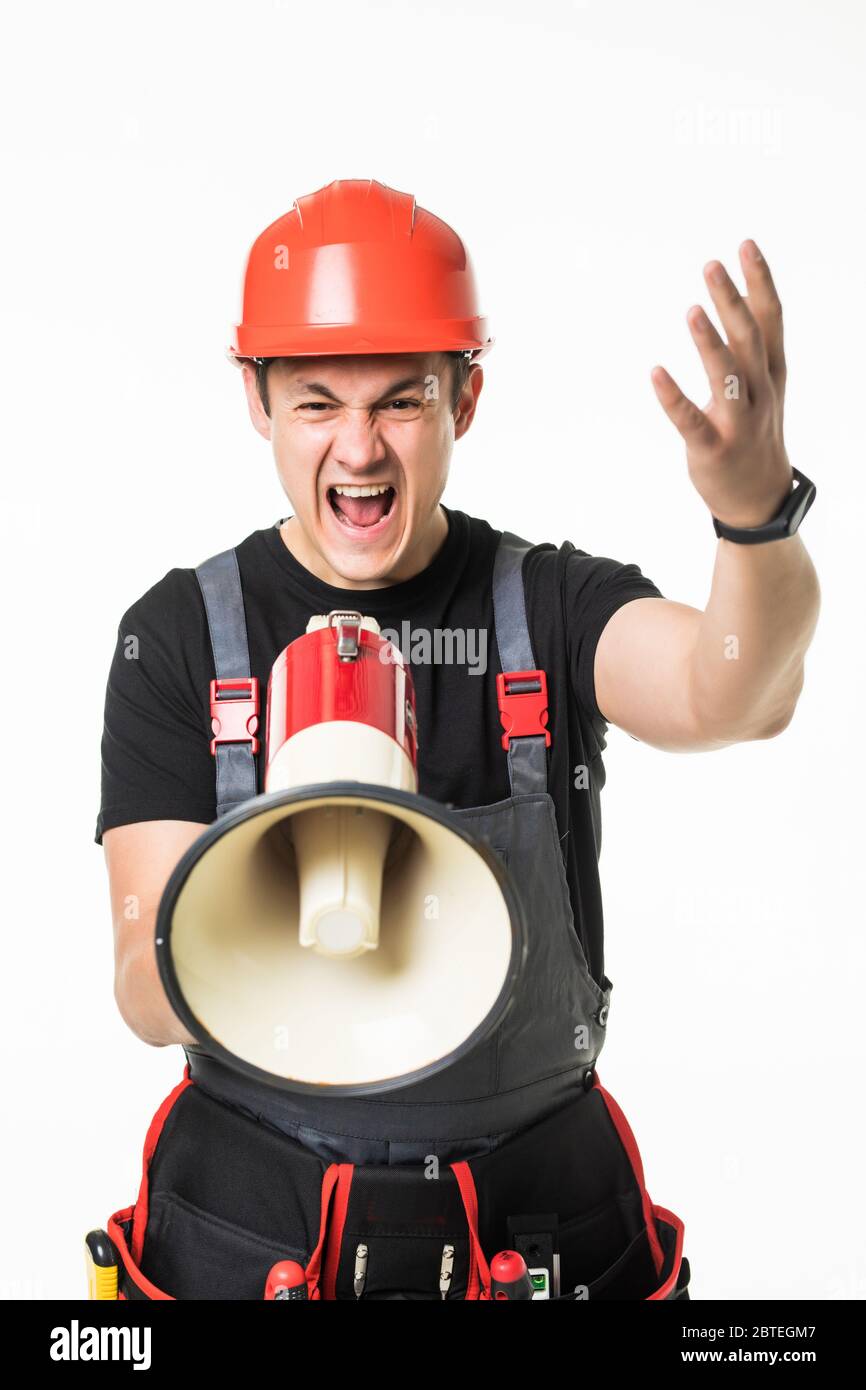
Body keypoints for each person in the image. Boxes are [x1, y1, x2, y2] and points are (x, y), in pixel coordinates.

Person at [95, 178, 820, 1301]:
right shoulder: (179, 637)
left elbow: (739, 694)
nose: (359, 448)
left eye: (401, 401)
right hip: (251, 1227)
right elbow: (144, 993)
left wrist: (752, 514)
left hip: (536, 1219)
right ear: (256, 400)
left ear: (463, 400)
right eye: (316, 401)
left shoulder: (553, 606)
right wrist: (291, 859)